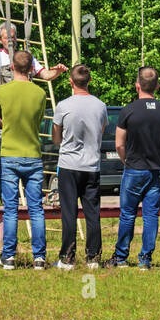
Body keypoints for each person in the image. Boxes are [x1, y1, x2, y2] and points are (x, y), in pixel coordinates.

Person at [0, 24, 67, 207]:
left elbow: (46, 75)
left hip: (18, 106)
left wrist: (57, 71)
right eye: (7, 38)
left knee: (12, 151)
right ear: (0, 39)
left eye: (13, 38)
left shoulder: (25, 58)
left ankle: (9, 195)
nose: (11, 41)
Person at [104, 68, 160, 270]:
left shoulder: (128, 110)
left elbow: (119, 144)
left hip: (134, 168)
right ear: (158, 87)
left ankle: (121, 258)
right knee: (151, 214)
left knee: (127, 214)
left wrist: (127, 160)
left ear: (137, 86)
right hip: (157, 168)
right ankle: (145, 259)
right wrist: (159, 158)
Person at [0, 49, 48, 270]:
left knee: (10, 209)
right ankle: (39, 257)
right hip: (33, 154)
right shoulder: (39, 94)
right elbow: (39, 120)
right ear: (32, 69)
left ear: (12, 67)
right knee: (36, 209)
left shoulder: (1, 91)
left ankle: (8, 257)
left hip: (10, 154)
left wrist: (5, 123)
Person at [51, 64, 108, 270]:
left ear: (71, 81)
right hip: (91, 165)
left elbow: (56, 137)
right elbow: (101, 130)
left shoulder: (63, 105)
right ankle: (93, 257)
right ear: (89, 81)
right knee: (92, 213)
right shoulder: (100, 106)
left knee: (69, 213)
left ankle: (67, 258)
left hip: (68, 164)